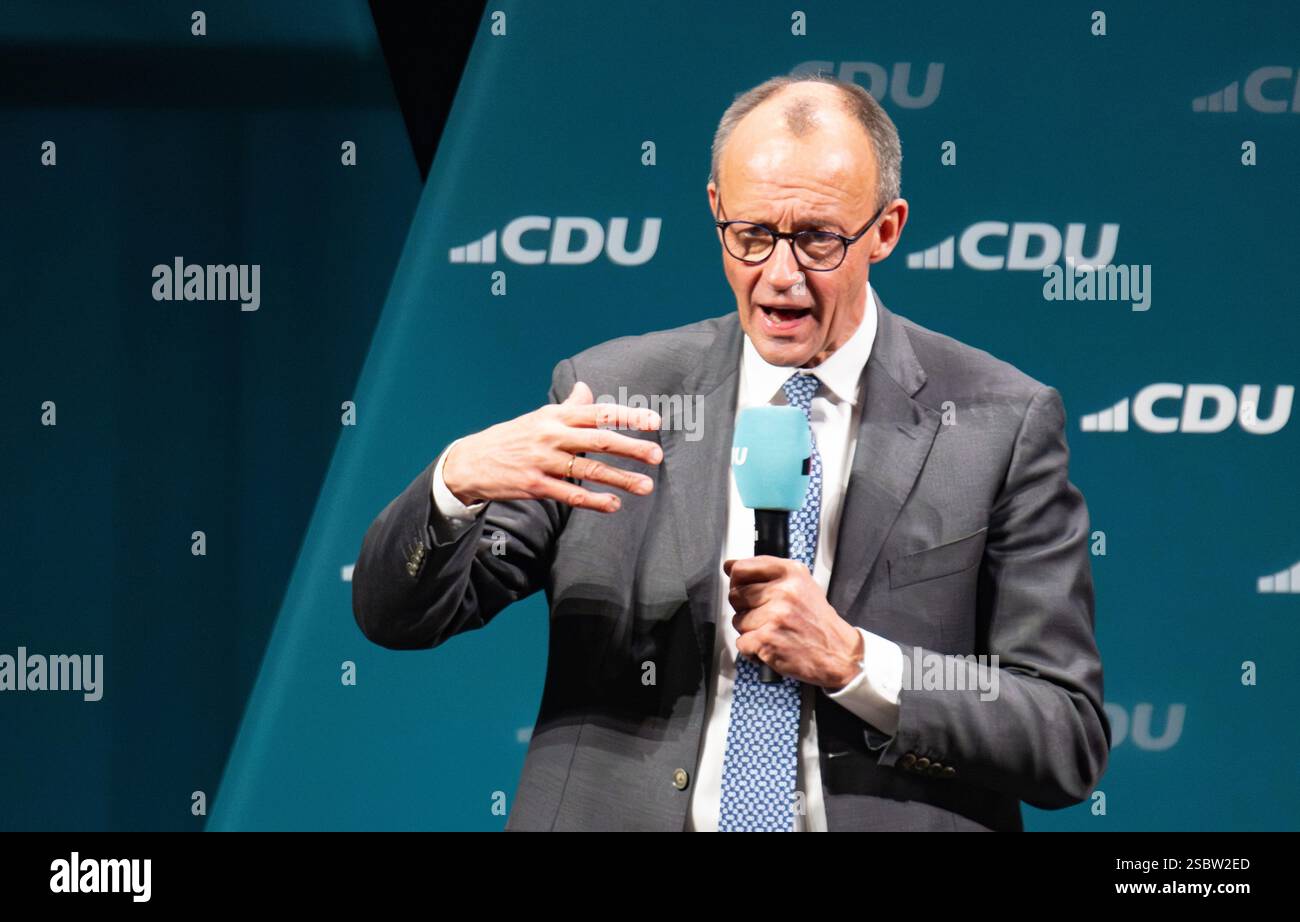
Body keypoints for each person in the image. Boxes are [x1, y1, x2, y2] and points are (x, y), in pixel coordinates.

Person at [352, 73, 1109, 831]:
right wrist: (456, 485)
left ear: (886, 229)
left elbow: (1065, 734)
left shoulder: (997, 421)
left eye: (818, 239)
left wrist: (855, 663)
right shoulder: (613, 394)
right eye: (752, 236)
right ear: (717, 211)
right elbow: (397, 617)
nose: (780, 275)